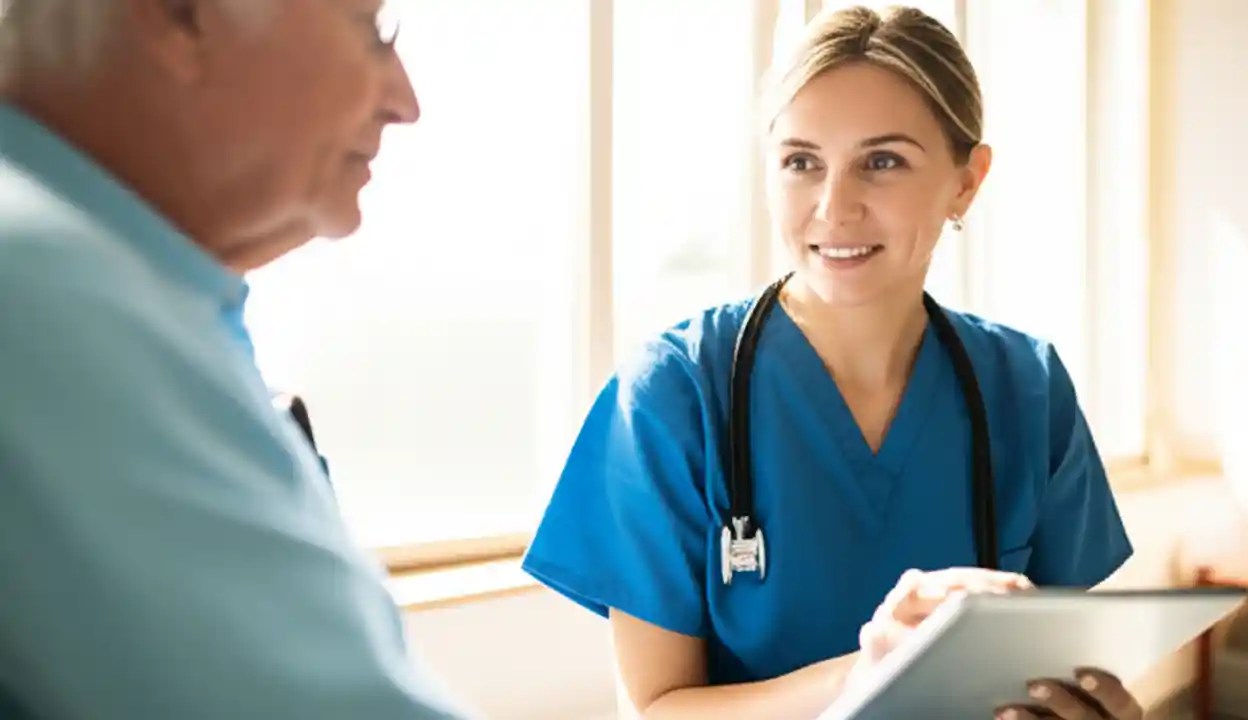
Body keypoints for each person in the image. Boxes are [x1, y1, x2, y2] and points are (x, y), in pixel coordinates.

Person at [521, 6, 1143, 719]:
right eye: (801, 162)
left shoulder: (1027, 389)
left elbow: (1051, 676)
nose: (833, 206)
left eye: (883, 161)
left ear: (967, 181)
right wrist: (871, 672)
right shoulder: (675, 392)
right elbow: (656, 709)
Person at [0, 1, 466, 717]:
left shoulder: (151, 302)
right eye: (372, 31)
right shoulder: (40, 295)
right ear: (176, 15)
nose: (406, 102)